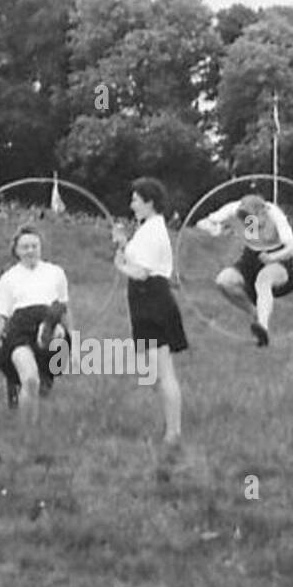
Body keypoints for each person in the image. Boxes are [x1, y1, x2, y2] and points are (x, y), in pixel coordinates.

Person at [114, 177, 186, 456]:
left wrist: (120, 265)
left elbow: (141, 271)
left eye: (135, 200)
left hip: (152, 299)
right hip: (144, 300)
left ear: (149, 202)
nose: (132, 205)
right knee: (152, 372)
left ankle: (173, 433)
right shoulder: (147, 229)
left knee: (163, 370)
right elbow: (137, 261)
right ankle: (169, 427)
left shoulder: (153, 230)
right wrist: (122, 245)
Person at [0, 226, 72, 421]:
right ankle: (25, 430)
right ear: (17, 250)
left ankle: (33, 430)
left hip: (50, 325)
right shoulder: (9, 278)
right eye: (25, 247)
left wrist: (75, 342)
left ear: (41, 247)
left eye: (34, 246)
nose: (30, 250)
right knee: (30, 380)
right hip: (20, 331)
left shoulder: (55, 273)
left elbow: (65, 309)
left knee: (43, 383)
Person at [193, 192, 293, 346]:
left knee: (263, 280)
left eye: (252, 217)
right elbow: (203, 223)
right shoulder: (233, 209)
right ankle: (256, 314)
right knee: (223, 281)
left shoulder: (276, 215)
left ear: (263, 212)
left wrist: (273, 258)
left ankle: (263, 327)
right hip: (250, 258)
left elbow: (292, 249)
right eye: (244, 216)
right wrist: (216, 230)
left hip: (279, 259)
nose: (247, 221)